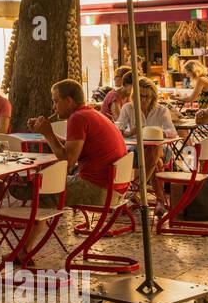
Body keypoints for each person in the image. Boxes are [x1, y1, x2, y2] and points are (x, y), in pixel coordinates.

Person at [22, 78, 129, 212]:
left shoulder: (78, 118)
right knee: (43, 181)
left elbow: (68, 160)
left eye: (56, 101)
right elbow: (72, 147)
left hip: (100, 190)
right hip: (116, 188)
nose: (53, 107)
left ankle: (32, 229)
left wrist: (48, 134)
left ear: (68, 101)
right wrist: (45, 132)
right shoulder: (90, 113)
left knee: (40, 189)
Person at [116, 77, 176, 193]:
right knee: (156, 161)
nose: (143, 100)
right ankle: (160, 201)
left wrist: (156, 133)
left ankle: (138, 186)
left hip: (162, 149)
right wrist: (130, 132)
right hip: (136, 149)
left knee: (155, 147)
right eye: (140, 96)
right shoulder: (128, 108)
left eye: (146, 96)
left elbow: (172, 132)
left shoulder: (161, 110)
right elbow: (118, 130)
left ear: (153, 96)